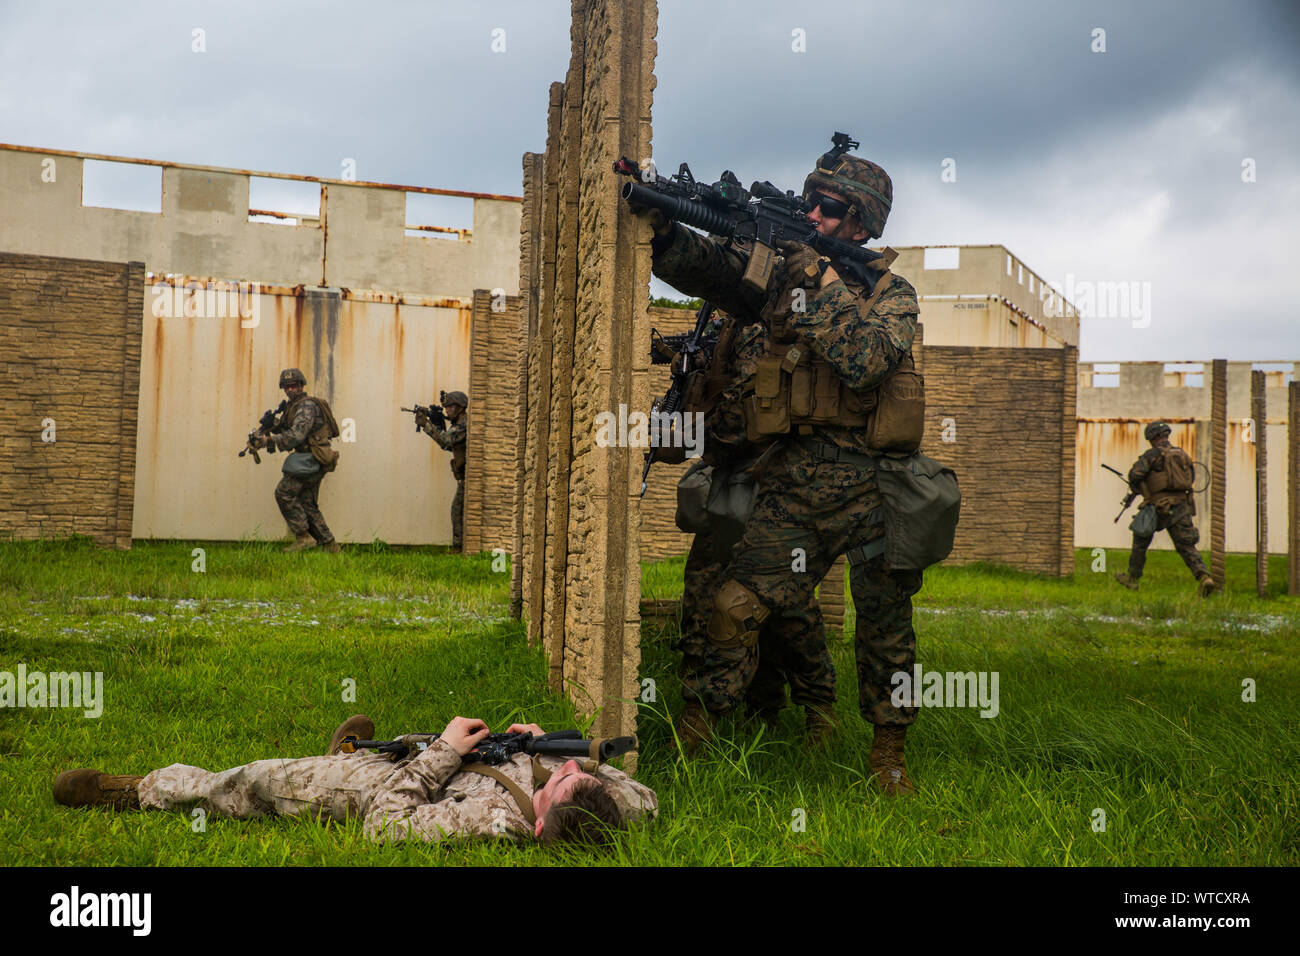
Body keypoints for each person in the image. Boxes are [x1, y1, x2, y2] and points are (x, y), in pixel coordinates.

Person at [634, 141, 928, 794]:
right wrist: (661, 230)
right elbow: (716, 271)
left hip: (874, 489)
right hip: (796, 488)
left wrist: (818, 281)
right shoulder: (783, 278)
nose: (813, 214)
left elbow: (866, 359)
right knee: (733, 607)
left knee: (887, 635)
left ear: (860, 222)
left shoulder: (892, 294)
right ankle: (698, 734)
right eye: (809, 202)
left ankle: (889, 753)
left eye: (827, 207)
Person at [52, 714, 656, 847]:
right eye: (579, 777)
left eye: (553, 788)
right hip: (422, 760)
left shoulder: (489, 823)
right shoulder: (616, 804)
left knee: (255, 781)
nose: (564, 775)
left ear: (541, 821)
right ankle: (348, 750)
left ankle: (137, 791)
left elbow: (385, 825)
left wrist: (442, 753)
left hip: (390, 787)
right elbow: (640, 795)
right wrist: (555, 754)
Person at [1114, 421, 1217, 596]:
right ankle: (1204, 577)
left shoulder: (1152, 455)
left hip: (1157, 507)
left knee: (1140, 540)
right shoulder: (1182, 454)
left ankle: (1133, 579)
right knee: (1186, 546)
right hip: (1181, 507)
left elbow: (1135, 475)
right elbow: (1190, 477)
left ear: (1152, 438)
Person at [249, 368, 341, 554]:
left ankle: (303, 537)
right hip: (310, 460)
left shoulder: (306, 407)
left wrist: (268, 440)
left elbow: (296, 436)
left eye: (293, 386)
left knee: (284, 493)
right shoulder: (294, 406)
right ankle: (331, 547)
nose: (290, 390)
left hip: (311, 459)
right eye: (286, 387)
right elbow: (285, 428)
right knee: (308, 503)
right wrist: (271, 425)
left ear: (301, 386)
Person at [417, 391, 468, 552]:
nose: (446, 410)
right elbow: (447, 444)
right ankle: (458, 547)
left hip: (469, 479)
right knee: (457, 511)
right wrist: (433, 423)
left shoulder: (464, 425)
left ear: (459, 408)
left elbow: (446, 439)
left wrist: (427, 424)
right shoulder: (459, 424)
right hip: (464, 478)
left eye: (449, 407)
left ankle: (458, 547)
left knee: (457, 511)